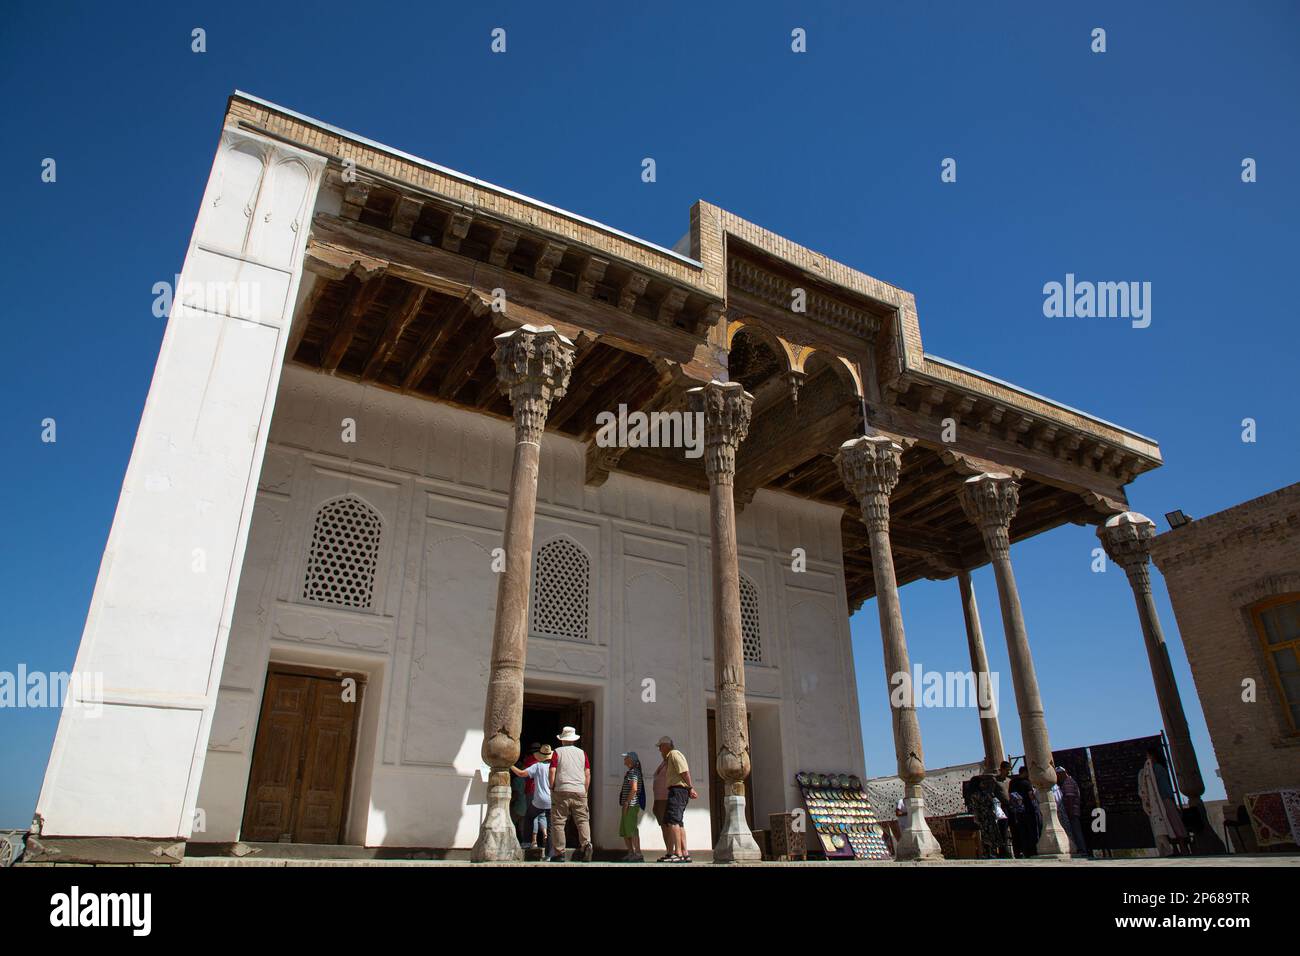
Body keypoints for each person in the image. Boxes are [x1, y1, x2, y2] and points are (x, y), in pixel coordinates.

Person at [548, 726, 593, 862]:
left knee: (559, 822)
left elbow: (552, 771)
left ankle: (559, 852)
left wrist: (552, 786)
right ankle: (586, 845)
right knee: (582, 820)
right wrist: (585, 789)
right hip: (579, 790)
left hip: (561, 789)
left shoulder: (557, 752)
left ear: (562, 740)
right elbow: (587, 773)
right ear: (573, 740)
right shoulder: (582, 753)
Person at [1138, 748, 1187, 856]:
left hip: (1164, 799)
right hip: (1159, 800)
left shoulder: (1158, 769)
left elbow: (1164, 786)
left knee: (1173, 823)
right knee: (1167, 825)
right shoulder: (1148, 771)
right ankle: (1175, 849)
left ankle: (1181, 849)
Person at [655, 736, 696, 862]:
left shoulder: (674, 754)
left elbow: (684, 772)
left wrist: (690, 788)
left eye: (660, 747)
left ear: (666, 745)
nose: (659, 750)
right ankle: (684, 853)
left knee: (674, 821)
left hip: (678, 790)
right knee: (677, 821)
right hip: (676, 791)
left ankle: (678, 854)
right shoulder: (670, 757)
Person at [510, 744, 553, 853]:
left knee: (529, 816)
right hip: (552, 800)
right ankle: (549, 853)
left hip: (539, 800)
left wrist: (510, 765)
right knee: (550, 825)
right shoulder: (554, 767)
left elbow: (521, 773)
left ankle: (527, 842)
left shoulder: (537, 766)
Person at [618, 750, 646, 862]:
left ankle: (637, 853)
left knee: (631, 829)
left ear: (631, 760)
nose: (624, 760)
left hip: (631, 805)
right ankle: (631, 852)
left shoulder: (634, 772)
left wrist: (626, 803)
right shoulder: (632, 772)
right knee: (625, 829)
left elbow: (634, 789)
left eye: (626, 758)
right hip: (629, 804)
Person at [1055, 764, 1087, 856]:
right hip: (1073, 809)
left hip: (1072, 810)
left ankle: (1081, 849)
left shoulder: (1068, 782)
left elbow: (1070, 798)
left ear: (1062, 774)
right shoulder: (1070, 781)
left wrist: (1069, 810)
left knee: (1076, 830)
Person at [1009, 765, 1040, 857]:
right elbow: (1031, 796)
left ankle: (1024, 851)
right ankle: (1033, 850)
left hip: (1018, 811)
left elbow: (1010, 795)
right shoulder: (1026, 783)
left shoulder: (1012, 782)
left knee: (1022, 832)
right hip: (1028, 809)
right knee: (1032, 831)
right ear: (1025, 772)